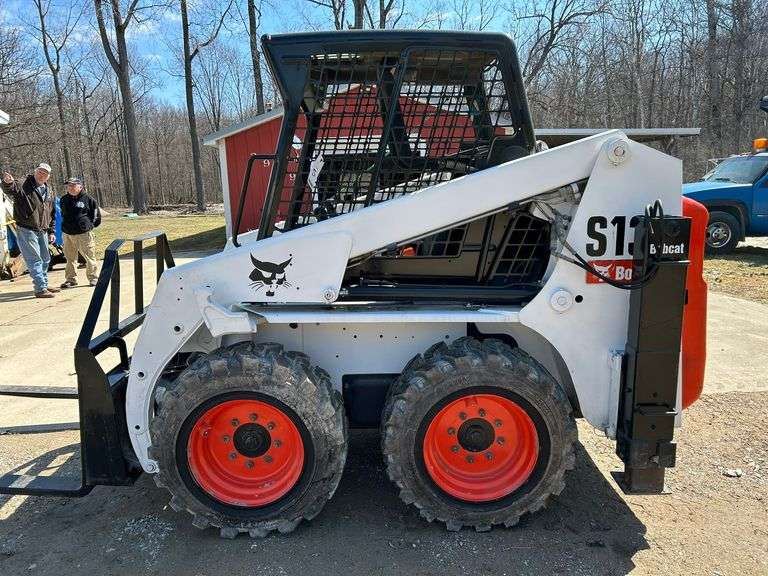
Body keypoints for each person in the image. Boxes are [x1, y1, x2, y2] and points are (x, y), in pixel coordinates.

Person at [1, 164, 61, 298]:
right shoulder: (23, 184)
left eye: (45, 173)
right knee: (35, 259)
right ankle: (40, 289)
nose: (42, 175)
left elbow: (51, 213)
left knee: (46, 259)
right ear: (35, 171)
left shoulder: (49, 190)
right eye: (40, 172)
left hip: (43, 230)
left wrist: (51, 231)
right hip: (27, 229)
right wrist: (7, 182)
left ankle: (43, 284)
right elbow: (11, 189)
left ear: (48, 177)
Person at [59, 177, 100, 288]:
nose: (70, 188)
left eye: (73, 185)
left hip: (84, 234)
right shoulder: (63, 199)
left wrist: (89, 226)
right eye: (68, 186)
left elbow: (96, 216)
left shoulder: (88, 199)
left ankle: (93, 278)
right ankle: (71, 279)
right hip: (67, 233)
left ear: (80, 186)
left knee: (89, 257)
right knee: (70, 258)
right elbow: (61, 215)